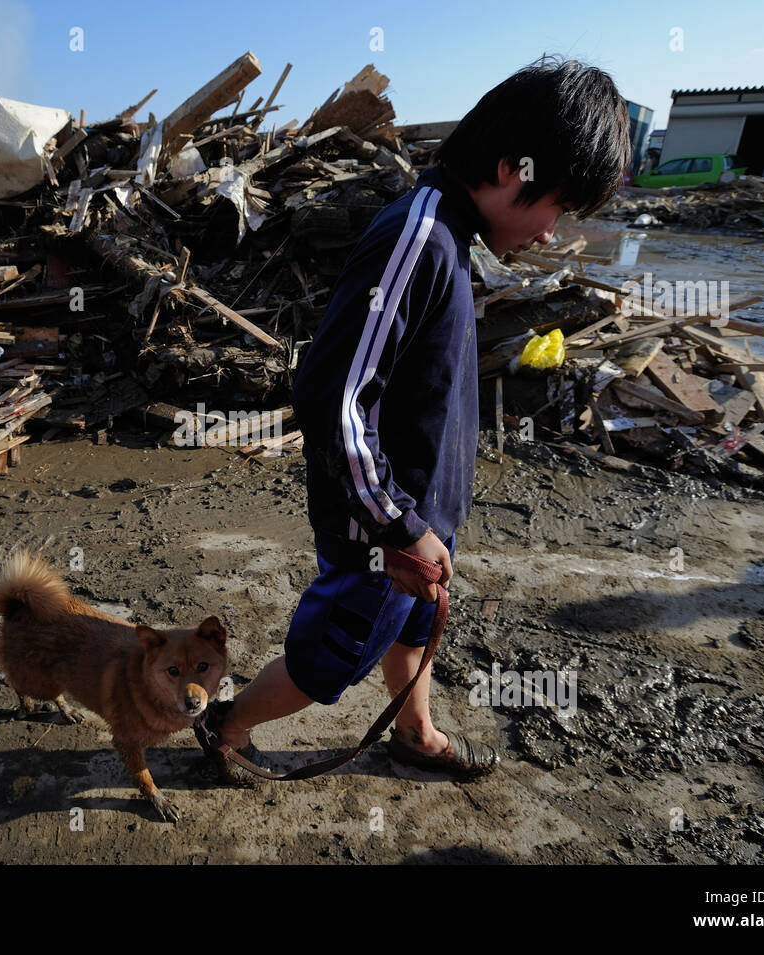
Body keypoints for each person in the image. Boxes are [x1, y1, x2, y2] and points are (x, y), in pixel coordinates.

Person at [196, 56, 632, 779]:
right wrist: (398, 524)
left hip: (418, 518)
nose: (552, 233)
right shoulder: (418, 240)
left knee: (415, 623)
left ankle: (415, 730)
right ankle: (229, 726)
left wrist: (427, 521)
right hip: (380, 524)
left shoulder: (452, 240)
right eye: (557, 207)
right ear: (512, 170)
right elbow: (333, 397)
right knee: (334, 652)